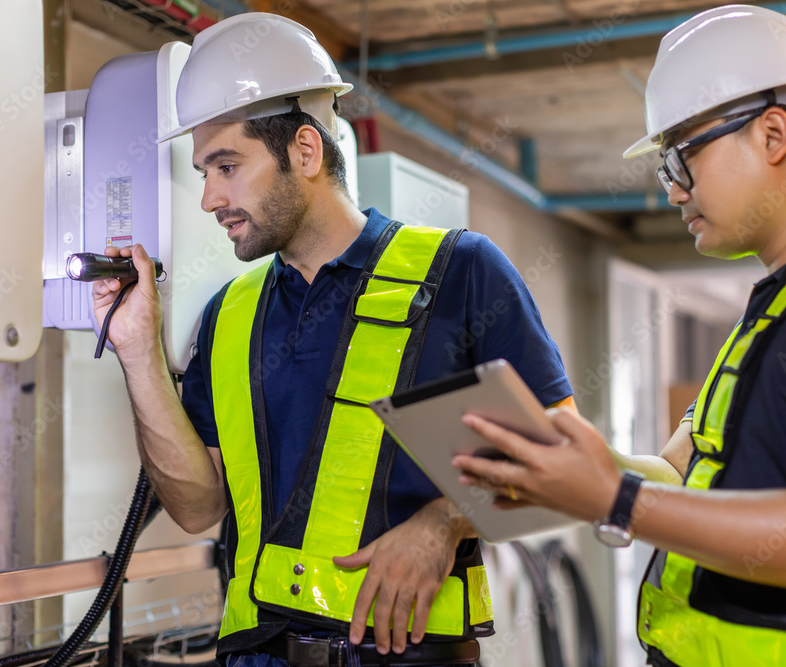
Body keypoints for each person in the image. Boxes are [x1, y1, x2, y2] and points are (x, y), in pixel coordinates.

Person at [92, 12, 575, 667]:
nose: (208, 197)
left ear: (305, 151)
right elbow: (197, 505)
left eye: (226, 165)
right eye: (204, 170)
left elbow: (567, 463)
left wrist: (445, 520)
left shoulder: (462, 271)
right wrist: (137, 351)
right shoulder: (227, 313)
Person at [453, 5, 786, 667]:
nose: (673, 192)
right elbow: (681, 475)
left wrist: (616, 497)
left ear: (773, 135)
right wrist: (567, 468)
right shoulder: (781, 303)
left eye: (683, 159)